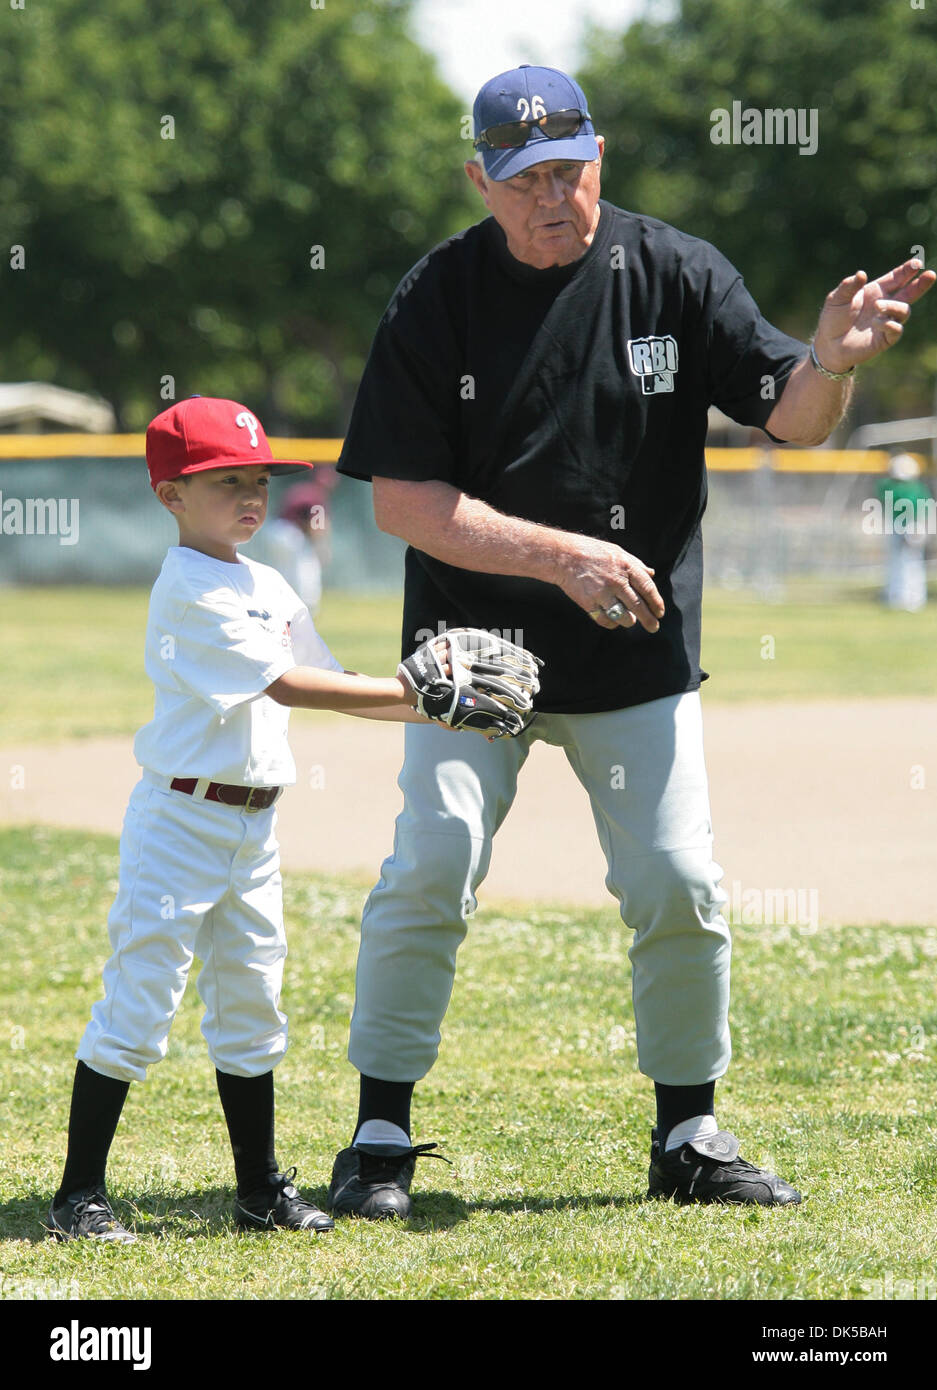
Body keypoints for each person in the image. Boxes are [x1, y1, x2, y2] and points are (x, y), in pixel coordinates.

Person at [327, 64, 935, 1218]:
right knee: (429, 867)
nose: (552, 197)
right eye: (524, 181)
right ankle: (380, 1135)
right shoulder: (437, 296)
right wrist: (563, 554)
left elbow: (793, 417)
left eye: (571, 170)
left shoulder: (675, 271)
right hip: (476, 651)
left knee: (677, 880)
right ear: (481, 180)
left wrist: (836, 364)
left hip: (633, 654)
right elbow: (404, 502)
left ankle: (687, 1135)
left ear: (600, 158)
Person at [47, 395, 525, 1243]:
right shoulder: (190, 589)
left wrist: (436, 711)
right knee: (139, 1006)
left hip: (252, 829)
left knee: (254, 1003)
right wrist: (422, 691)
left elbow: (331, 678)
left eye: (258, 480)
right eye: (224, 481)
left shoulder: (263, 581)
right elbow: (288, 687)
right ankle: (78, 1194)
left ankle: (259, 1190)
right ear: (169, 497)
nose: (249, 496)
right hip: (179, 823)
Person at [261, 475, 336, 615]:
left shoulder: (301, 489)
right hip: (290, 534)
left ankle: (278, 607)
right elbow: (317, 527)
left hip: (274, 530)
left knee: (282, 571)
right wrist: (321, 548)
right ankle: (308, 607)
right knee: (307, 566)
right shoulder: (317, 496)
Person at [878, 453, 931, 612]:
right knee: (910, 562)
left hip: (908, 526)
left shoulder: (893, 486)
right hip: (909, 526)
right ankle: (909, 598)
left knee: (905, 562)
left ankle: (905, 598)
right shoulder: (916, 487)